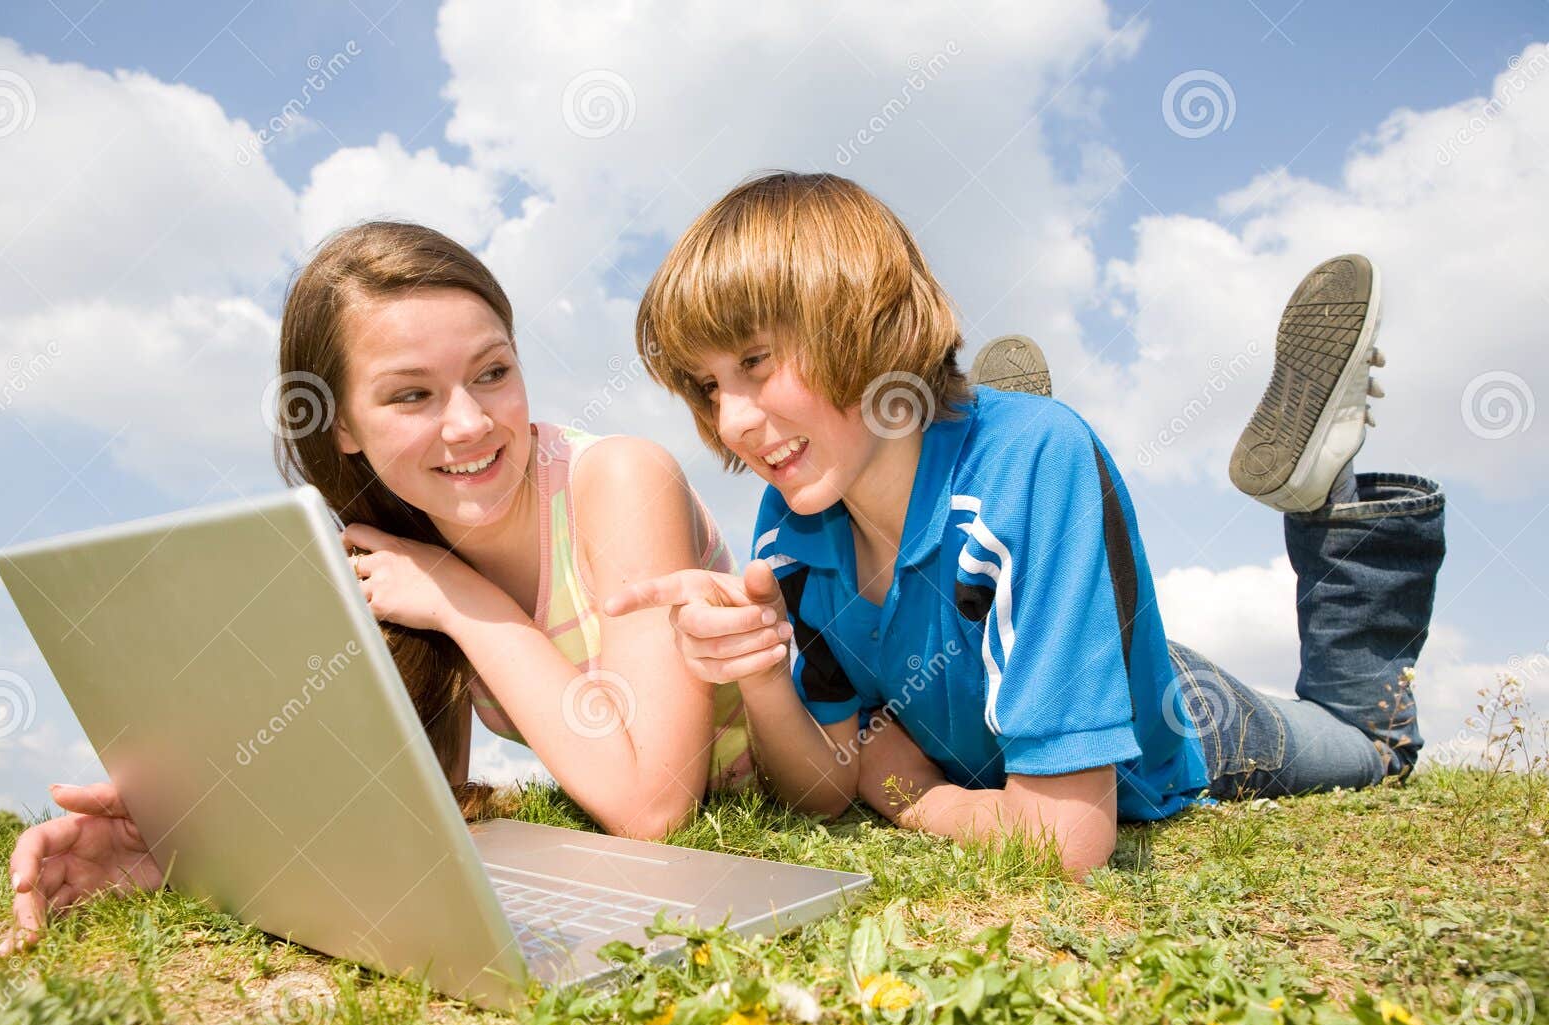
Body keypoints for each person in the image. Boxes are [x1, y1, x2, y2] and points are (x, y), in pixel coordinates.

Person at [607, 171, 1445, 879]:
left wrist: (917, 796)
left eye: (754, 362)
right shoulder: (789, 524)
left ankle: (1337, 504)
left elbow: (1067, 838)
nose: (733, 421)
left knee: (1363, 742)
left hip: (1182, 715)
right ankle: (1024, 536)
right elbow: (824, 789)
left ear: (856, 319)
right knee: (1020, 488)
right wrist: (760, 671)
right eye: (709, 387)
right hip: (1025, 671)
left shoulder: (1032, 456)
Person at [0, 222, 753, 955]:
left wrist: (462, 601)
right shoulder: (396, 554)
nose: (469, 423)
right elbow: (392, 809)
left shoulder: (620, 480)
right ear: (342, 427)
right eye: (411, 395)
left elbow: (653, 804)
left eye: (493, 373)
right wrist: (170, 846)